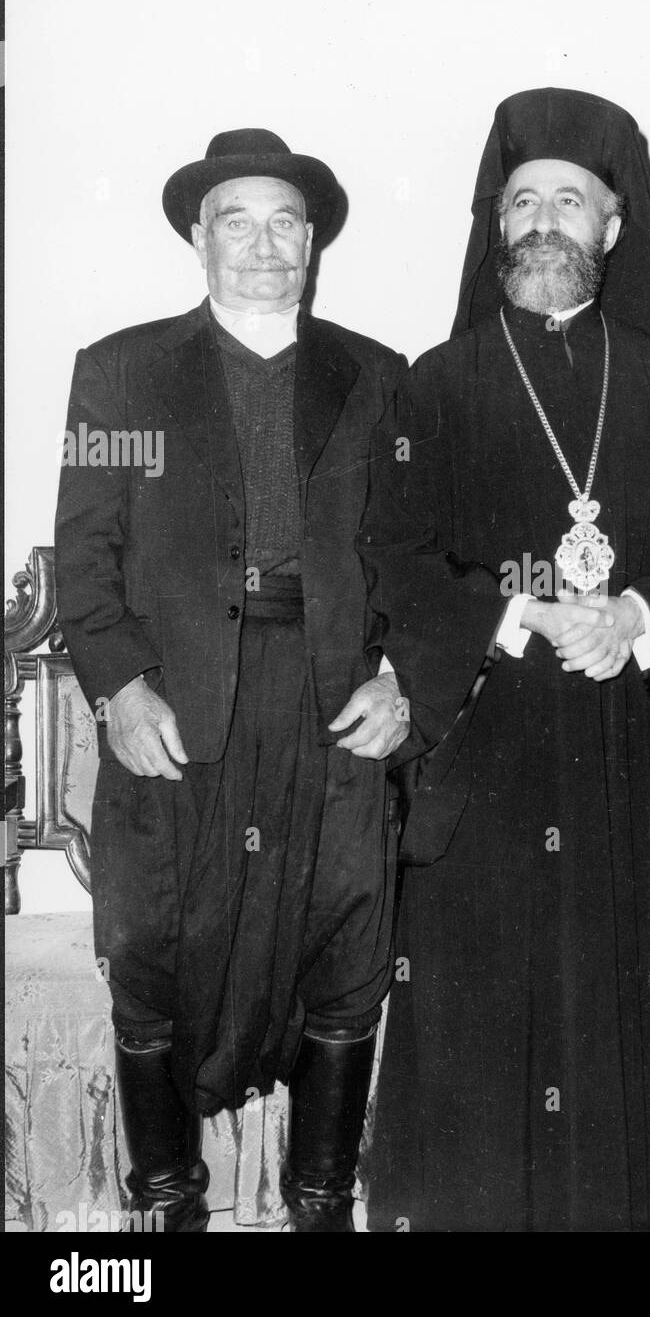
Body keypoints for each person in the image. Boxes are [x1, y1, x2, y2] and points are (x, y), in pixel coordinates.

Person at [359, 88, 650, 1232]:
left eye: (568, 201)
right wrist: (512, 614)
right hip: (484, 749)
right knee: (481, 1013)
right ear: (497, 227)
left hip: (626, 750)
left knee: (620, 1006)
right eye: (522, 201)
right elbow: (392, 547)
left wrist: (637, 616)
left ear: (613, 229)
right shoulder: (433, 384)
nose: (543, 220)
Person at [54, 129, 409, 1232]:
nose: (263, 243)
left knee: (345, 941)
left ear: (313, 242)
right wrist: (118, 688)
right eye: (237, 221)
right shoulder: (119, 373)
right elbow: (84, 555)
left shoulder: (379, 377)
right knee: (152, 946)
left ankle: (316, 1203)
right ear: (197, 238)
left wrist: (401, 675)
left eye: (285, 221)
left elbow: (416, 554)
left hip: (333, 704)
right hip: (179, 701)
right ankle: (167, 1201)